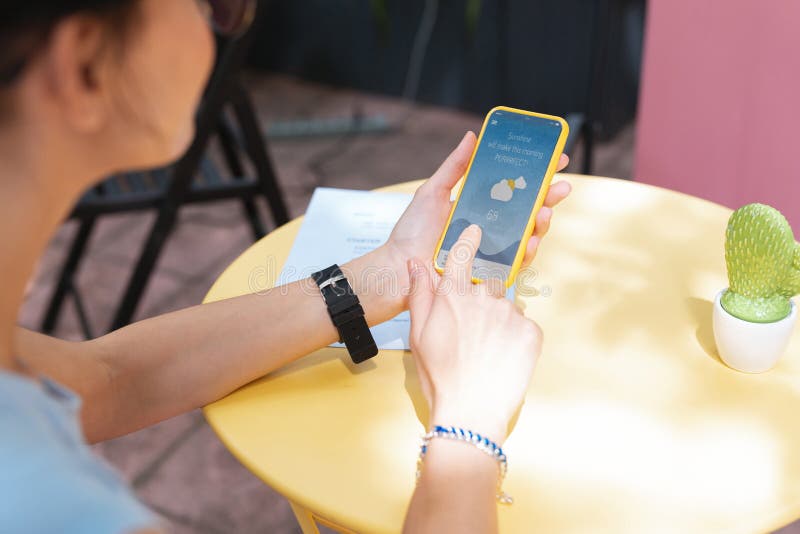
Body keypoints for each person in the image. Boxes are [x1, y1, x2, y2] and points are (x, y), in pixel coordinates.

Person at [0, 1, 571, 533]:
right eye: (209, 3)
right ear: (86, 64)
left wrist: (388, 271)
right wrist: (468, 427)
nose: (218, 30)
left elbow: (107, 380)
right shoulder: (51, 507)